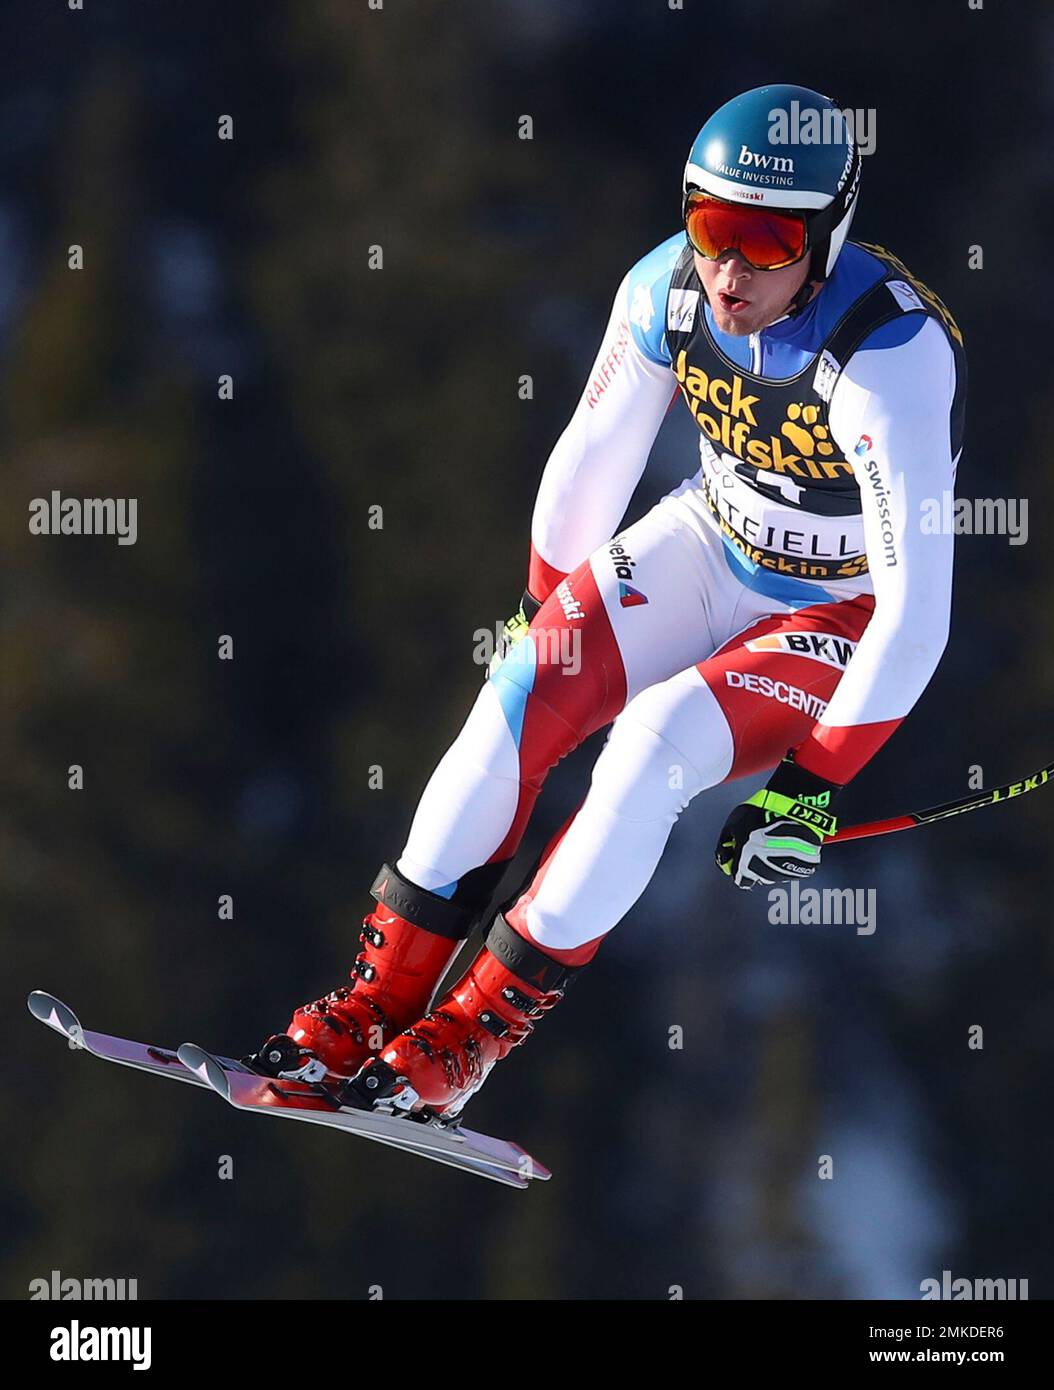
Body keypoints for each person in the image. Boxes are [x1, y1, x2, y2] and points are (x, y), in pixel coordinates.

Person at [249, 83, 966, 1119]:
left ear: (826, 233)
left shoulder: (888, 358)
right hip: (708, 540)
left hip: (837, 613)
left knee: (654, 741)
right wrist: (540, 622)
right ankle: (372, 1006)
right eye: (712, 227)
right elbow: (590, 460)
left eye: (766, 243)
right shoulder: (662, 293)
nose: (728, 270)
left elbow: (915, 617)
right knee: (520, 691)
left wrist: (812, 785)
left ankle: (466, 1037)